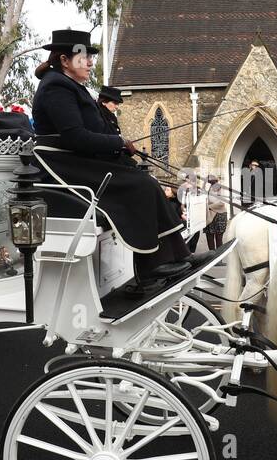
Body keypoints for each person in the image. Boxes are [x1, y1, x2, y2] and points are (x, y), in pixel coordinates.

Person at [30, 28, 211, 284]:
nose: (91, 62)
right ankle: (152, 265)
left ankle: (178, 254)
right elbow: (74, 137)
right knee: (141, 186)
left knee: (145, 180)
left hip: (78, 158)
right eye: (85, 56)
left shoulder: (73, 87)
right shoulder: (55, 87)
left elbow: (95, 130)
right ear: (64, 60)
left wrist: (122, 148)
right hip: (62, 163)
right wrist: (117, 142)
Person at [205, 175, 228, 250]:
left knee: (218, 239)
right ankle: (212, 257)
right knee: (209, 238)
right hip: (210, 215)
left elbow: (221, 203)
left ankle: (219, 259)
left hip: (219, 215)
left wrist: (209, 206)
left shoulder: (220, 188)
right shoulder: (210, 188)